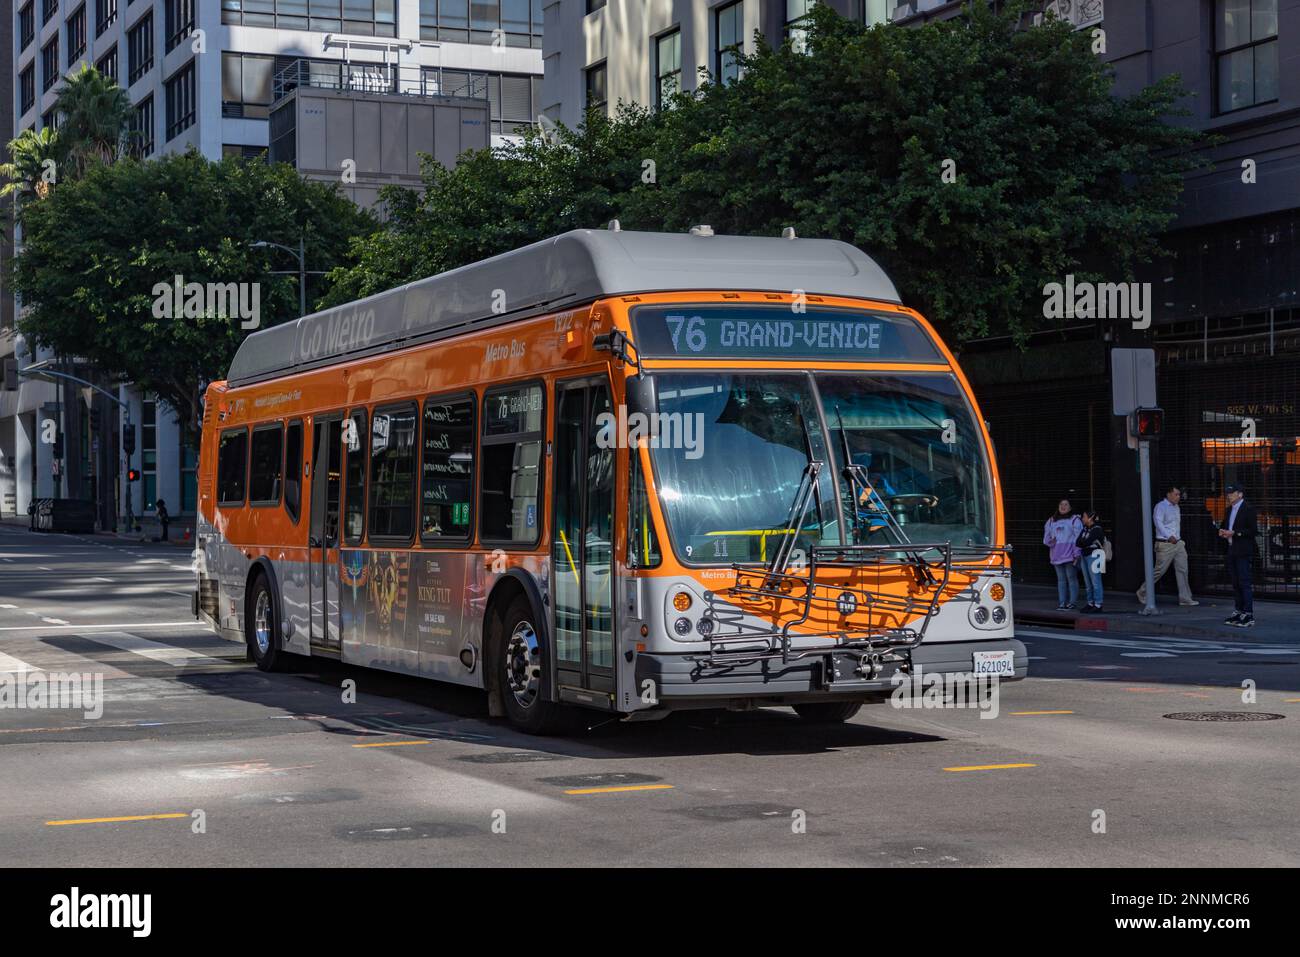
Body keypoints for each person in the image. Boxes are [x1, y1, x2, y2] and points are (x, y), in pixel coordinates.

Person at [1137, 485, 1198, 607]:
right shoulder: (1161, 506)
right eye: (1176, 494)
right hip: (1165, 544)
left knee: (1183, 570)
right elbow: (1158, 523)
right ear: (1168, 494)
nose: (1178, 497)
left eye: (1179, 494)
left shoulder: (1176, 507)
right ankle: (1142, 592)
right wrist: (1169, 536)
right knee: (1159, 571)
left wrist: (1177, 539)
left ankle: (1185, 598)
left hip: (1178, 543)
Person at [1218, 484, 1257, 627]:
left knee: (1244, 581)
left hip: (1243, 550)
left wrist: (1235, 533)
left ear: (1240, 494)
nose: (1229, 495)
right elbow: (1225, 526)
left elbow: (1253, 531)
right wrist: (1222, 531)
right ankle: (1239, 610)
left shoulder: (1248, 509)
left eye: (1232, 493)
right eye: (1228, 493)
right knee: (1235, 582)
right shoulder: (1229, 510)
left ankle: (1248, 613)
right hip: (1231, 548)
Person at [1043, 497, 1082, 610]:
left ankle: (1072, 603)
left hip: (1070, 556)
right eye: (1061, 504)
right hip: (1056, 556)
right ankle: (1062, 603)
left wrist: (1076, 554)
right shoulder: (1051, 520)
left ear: (1070, 507)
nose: (1063, 506)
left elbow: (1077, 538)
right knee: (1061, 580)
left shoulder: (1075, 520)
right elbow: (1046, 539)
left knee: (1071, 579)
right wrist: (1051, 541)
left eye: (1065, 504)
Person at [1076, 509, 1106, 612]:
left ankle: (1098, 604)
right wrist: (1084, 542)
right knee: (1088, 582)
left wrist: (1084, 542)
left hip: (1095, 556)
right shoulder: (1085, 528)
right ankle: (1090, 602)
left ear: (1090, 518)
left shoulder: (1097, 529)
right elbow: (1078, 542)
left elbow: (1084, 542)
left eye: (1084, 517)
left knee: (1095, 581)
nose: (1082, 518)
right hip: (1085, 555)